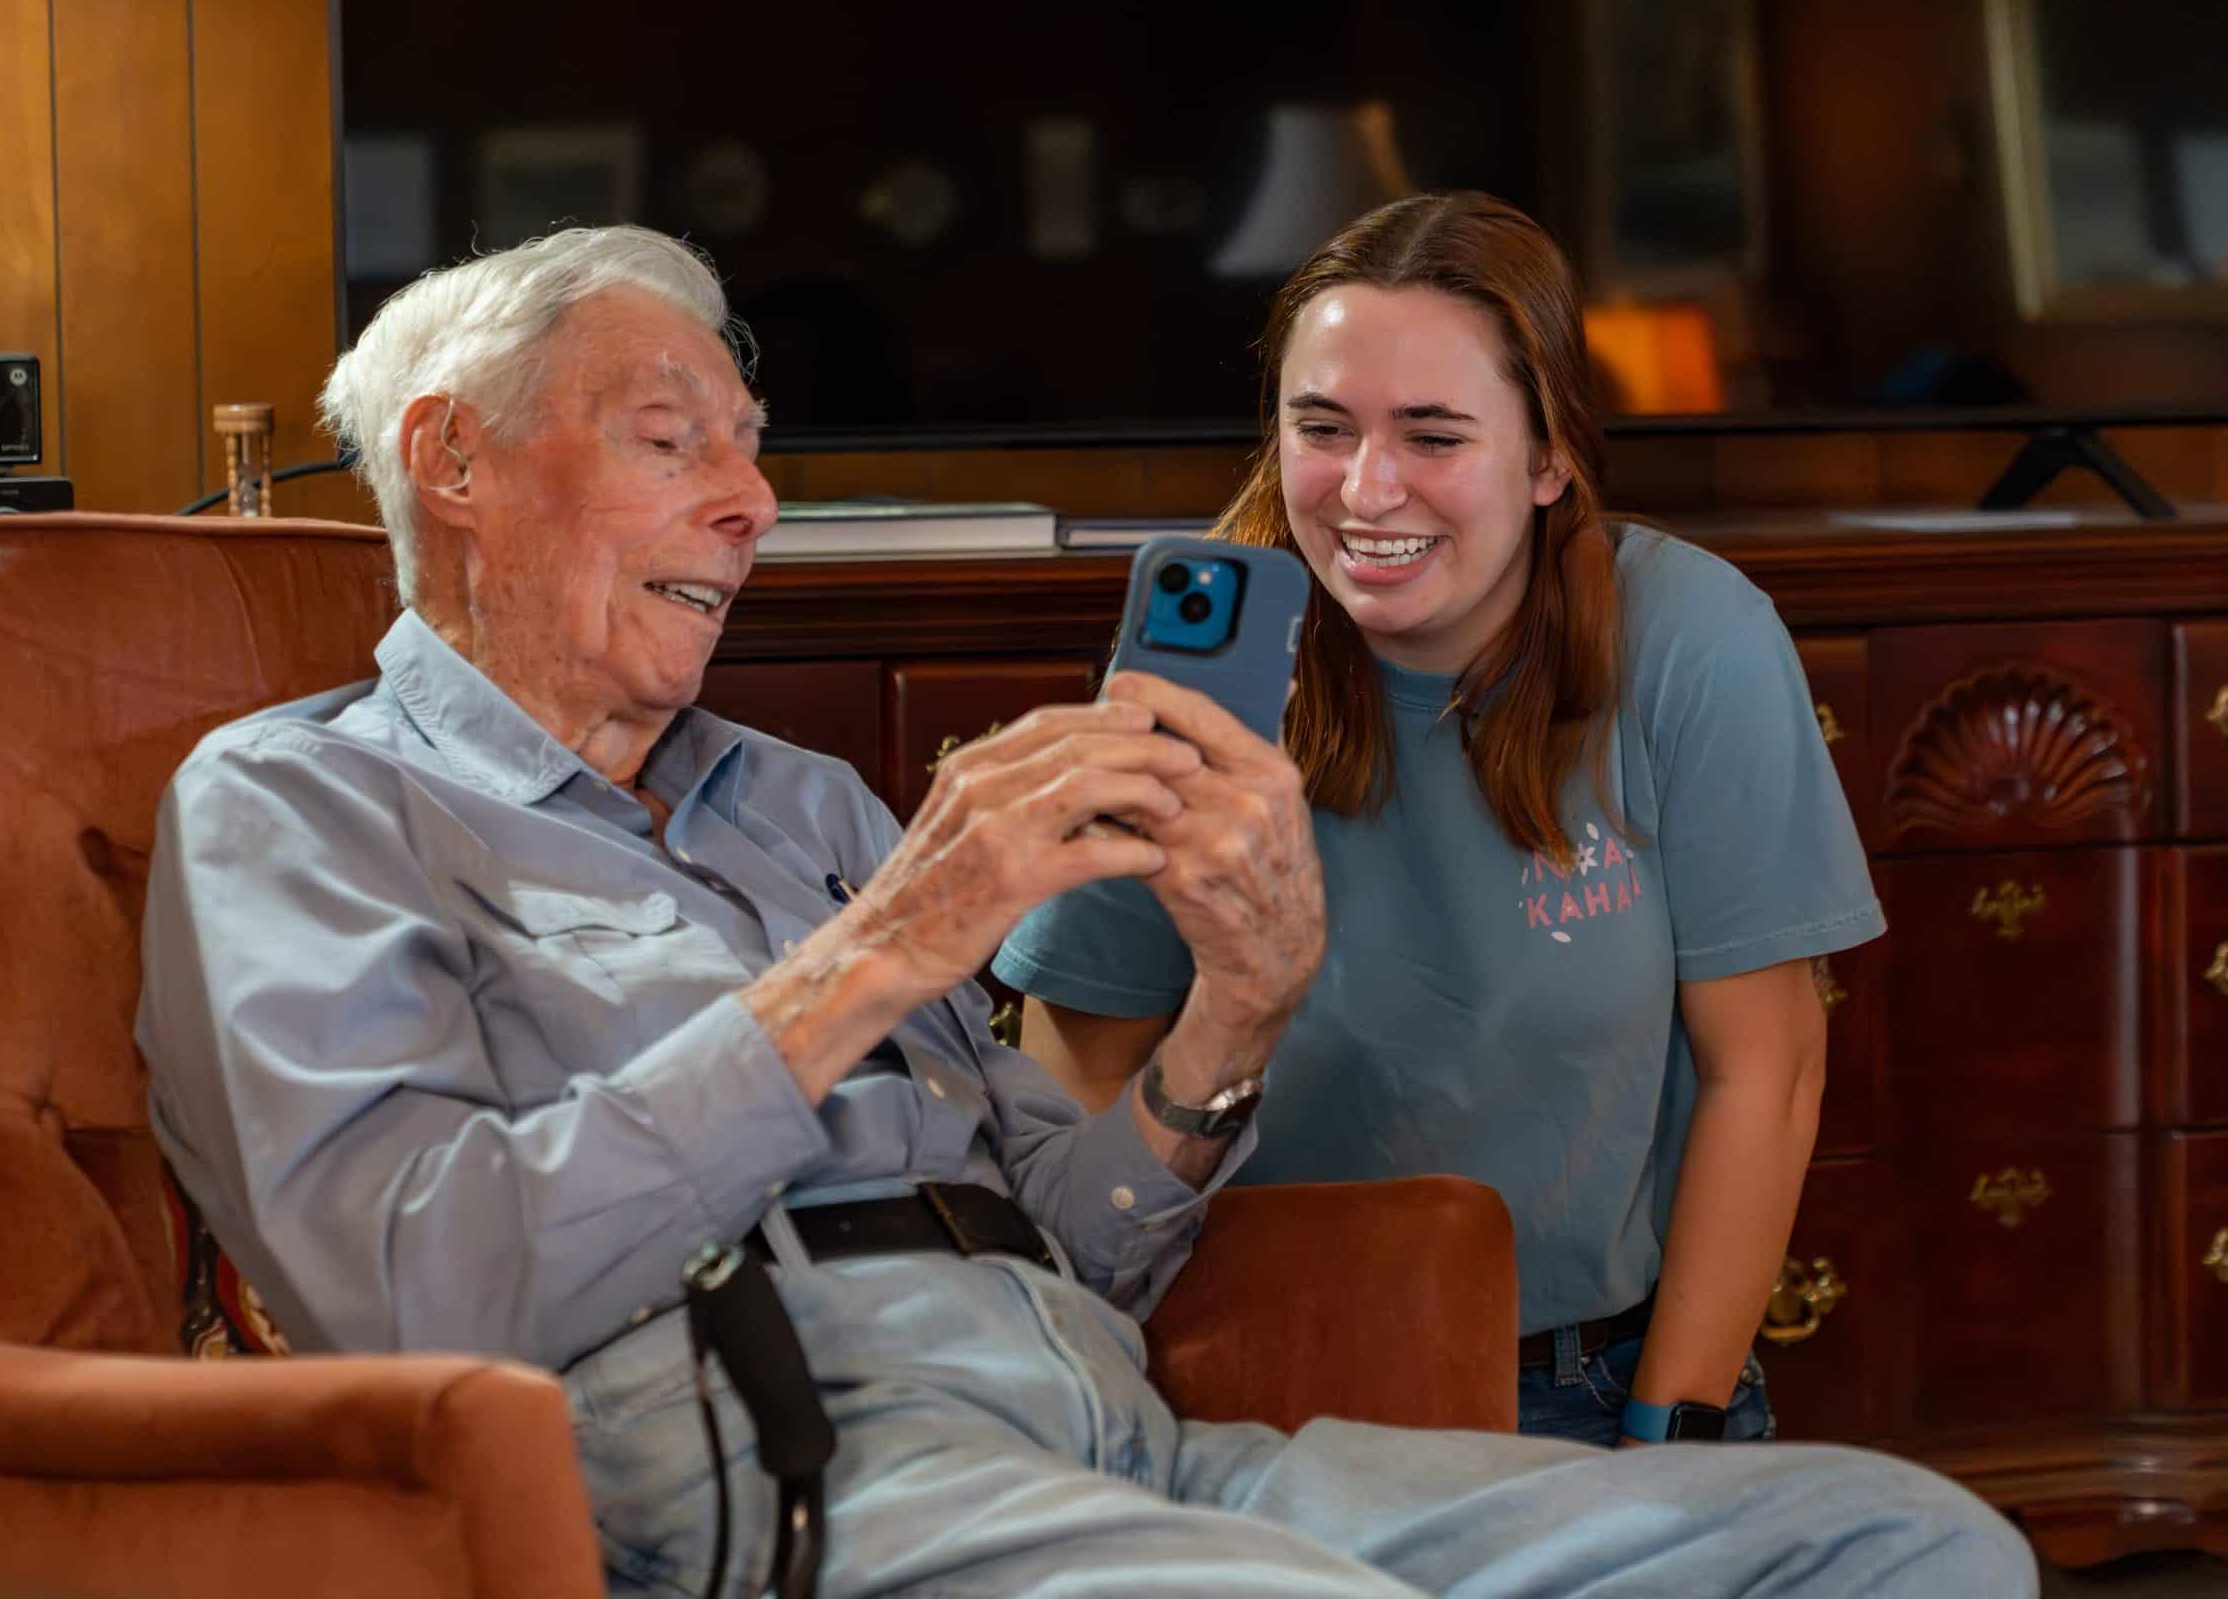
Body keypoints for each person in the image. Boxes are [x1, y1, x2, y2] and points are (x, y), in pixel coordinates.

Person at [134, 224, 2029, 1596]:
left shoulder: (797, 800)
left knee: (1906, 1544)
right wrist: (880, 949)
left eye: (750, 442)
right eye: (674, 440)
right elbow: (410, 1280)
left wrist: (1233, 1026)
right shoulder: (304, 802)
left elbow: (1067, 1230)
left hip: (1118, 1426)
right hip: (781, 1438)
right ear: (455, 460)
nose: (755, 502)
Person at [996, 191, 1879, 1451]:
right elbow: (1069, 1093)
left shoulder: (1689, 638)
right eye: (1322, 427)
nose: (1366, 490)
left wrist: (1666, 1441)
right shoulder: (1205, 665)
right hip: (1237, 1375)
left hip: (1594, 1384)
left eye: (1431, 434)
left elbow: (1765, 1070)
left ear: (1547, 457)